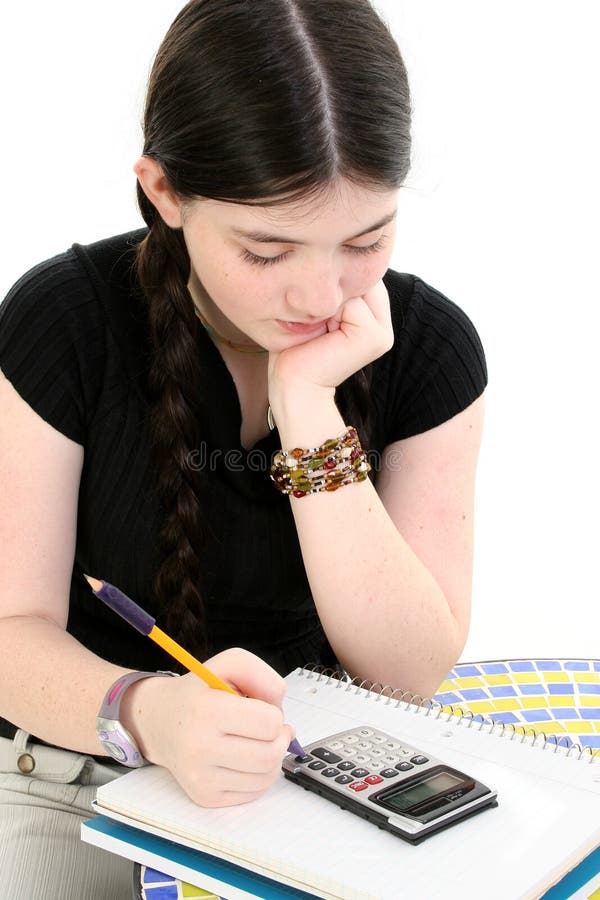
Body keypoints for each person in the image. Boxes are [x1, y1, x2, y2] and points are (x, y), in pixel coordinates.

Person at [0, 0, 487, 896]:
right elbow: (7, 632)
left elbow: (408, 670)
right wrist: (147, 713)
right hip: (81, 766)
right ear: (164, 192)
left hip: (321, 772)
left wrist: (308, 404)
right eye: (266, 250)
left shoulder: (426, 344)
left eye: (366, 239)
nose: (319, 290)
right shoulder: (64, 321)